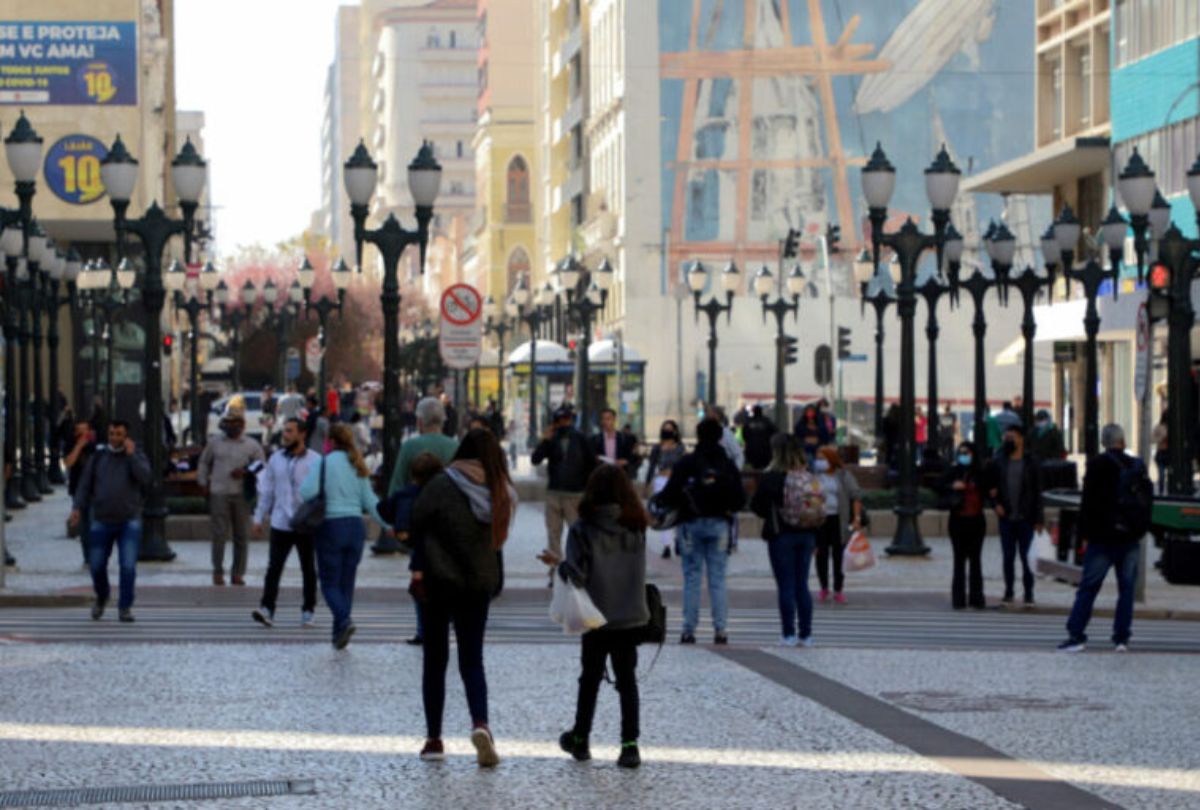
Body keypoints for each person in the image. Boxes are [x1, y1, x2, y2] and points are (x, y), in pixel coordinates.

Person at [409, 428, 516, 767]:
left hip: (439, 583)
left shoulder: (443, 483)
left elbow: (416, 521)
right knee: (472, 660)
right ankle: (481, 724)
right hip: (478, 584)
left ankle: (434, 738)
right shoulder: (499, 490)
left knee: (435, 662)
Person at [549, 464, 649, 769]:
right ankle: (629, 746)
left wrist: (560, 564)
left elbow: (577, 576)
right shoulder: (636, 525)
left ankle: (581, 739)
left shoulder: (582, 529)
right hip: (630, 615)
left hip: (596, 617)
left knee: (589, 678)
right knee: (627, 680)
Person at [299, 423, 391, 649]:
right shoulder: (356, 464)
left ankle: (344, 620)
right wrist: (388, 525)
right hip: (355, 528)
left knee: (329, 584)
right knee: (346, 584)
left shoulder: (323, 462)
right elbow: (370, 500)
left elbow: (306, 492)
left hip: (331, 526)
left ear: (331, 441)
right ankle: (338, 634)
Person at [1060, 424, 1151, 653]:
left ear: (1104, 442)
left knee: (1088, 588)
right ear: (1123, 441)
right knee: (1126, 590)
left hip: (1102, 538)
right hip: (1129, 537)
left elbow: (1088, 503)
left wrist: (1083, 535)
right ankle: (1121, 638)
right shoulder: (1137, 465)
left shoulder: (1097, 465)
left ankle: (1076, 635)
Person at [660, 417, 745, 644]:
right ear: (719, 437)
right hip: (719, 524)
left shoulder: (687, 463)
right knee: (717, 578)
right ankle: (721, 629)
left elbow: (668, 494)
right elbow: (739, 499)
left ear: (698, 436)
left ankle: (689, 630)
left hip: (690, 524)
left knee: (692, 578)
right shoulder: (727, 464)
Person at [69, 420, 151, 623]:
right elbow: (85, 484)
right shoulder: (98, 456)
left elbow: (145, 478)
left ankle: (125, 607)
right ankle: (102, 596)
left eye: (119, 434)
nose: (115, 438)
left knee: (128, 565)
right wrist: (77, 508)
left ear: (126, 436)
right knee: (96, 565)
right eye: (112, 433)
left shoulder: (135, 454)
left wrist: (132, 456)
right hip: (101, 519)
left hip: (128, 520)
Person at [750, 434, 821, 646]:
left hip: (781, 535)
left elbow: (756, 506)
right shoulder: (806, 475)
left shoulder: (772, 476)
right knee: (802, 584)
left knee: (786, 585)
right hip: (807, 534)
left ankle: (788, 634)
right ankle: (806, 634)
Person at [251, 418, 321, 629]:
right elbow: (267, 490)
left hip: (305, 523)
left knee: (308, 569)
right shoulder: (275, 459)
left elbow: (321, 494)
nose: (285, 435)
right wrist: (258, 517)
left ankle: (308, 610)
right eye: (285, 431)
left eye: (290, 431)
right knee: (274, 568)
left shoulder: (316, 460)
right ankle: (267, 608)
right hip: (281, 522)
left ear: (302, 434)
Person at [197, 402, 265, 586]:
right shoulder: (215, 442)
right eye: (228, 422)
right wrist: (203, 482)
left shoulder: (251, 445)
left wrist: (245, 471)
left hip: (241, 494)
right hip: (219, 492)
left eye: (235, 422)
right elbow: (204, 462)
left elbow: (261, 465)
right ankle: (217, 571)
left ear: (242, 424)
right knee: (219, 534)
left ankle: (238, 573)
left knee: (241, 535)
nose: (231, 425)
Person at [532, 404, 597, 581]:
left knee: (576, 533)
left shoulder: (582, 439)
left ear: (572, 420)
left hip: (575, 494)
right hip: (554, 493)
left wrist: (588, 489)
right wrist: (544, 440)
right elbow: (535, 460)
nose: (564, 424)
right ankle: (555, 571)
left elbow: (592, 464)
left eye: (566, 419)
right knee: (553, 533)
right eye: (560, 421)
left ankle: (578, 567)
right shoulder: (551, 439)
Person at [987, 424, 1044, 606]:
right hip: (1007, 518)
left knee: (1027, 557)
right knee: (1008, 557)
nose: (1009, 440)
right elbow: (990, 488)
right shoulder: (999, 461)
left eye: (1012, 437)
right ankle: (1009, 591)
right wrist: (995, 505)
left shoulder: (1031, 462)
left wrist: (1038, 519)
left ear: (1021, 439)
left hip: (1026, 518)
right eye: (1007, 437)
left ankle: (1029, 593)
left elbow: (1037, 492)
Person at [395, 452, 447, 645]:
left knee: (421, 591)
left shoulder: (412, 495)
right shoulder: (446, 492)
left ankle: (423, 631)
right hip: (445, 552)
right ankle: (434, 627)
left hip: (422, 553)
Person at [939, 442, 987, 609]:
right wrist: (952, 486)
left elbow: (988, 488)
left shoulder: (980, 472)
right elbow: (938, 485)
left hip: (976, 520)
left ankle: (976, 598)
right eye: (961, 453)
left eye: (967, 452)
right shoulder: (954, 471)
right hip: (958, 520)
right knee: (959, 561)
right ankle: (958, 600)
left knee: (975, 560)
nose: (963, 456)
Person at [812, 446, 863, 604]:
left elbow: (855, 496)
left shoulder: (843, 476)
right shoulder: (815, 477)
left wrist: (856, 518)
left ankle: (838, 589)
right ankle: (824, 587)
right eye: (818, 459)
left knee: (838, 555)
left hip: (838, 519)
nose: (819, 462)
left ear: (831, 460)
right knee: (821, 555)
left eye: (823, 459)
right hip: (820, 519)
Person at [388, 397, 459, 497]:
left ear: (419, 422)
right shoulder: (455, 447)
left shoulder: (409, 446)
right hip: (448, 508)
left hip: (415, 507)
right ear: (442, 422)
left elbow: (397, 486)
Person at [644, 420, 685, 559]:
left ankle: (678, 540)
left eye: (669, 429)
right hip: (660, 481)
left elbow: (682, 465)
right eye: (664, 429)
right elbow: (652, 465)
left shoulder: (679, 448)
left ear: (675, 431)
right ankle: (666, 545)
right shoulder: (657, 448)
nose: (667, 432)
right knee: (662, 513)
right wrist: (647, 482)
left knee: (677, 511)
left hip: (675, 481)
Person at [64, 417, 99, 565]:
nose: (83, 435)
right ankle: (88, 556)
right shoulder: (71, 444)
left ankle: (94, 556)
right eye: (79, 431)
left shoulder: (95, 446)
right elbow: (68, 463)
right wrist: (78, 446)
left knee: (92, 522)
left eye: (85, 431)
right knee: (84, 525)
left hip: (95, 490)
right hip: (77, 489)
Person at [742, 404, 777, 471]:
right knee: (765, 468)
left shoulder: (748, 422)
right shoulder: (767, 421)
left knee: (754, 467)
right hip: (765, 448)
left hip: (751, 448)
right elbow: (775, 432)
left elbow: (745, 434)